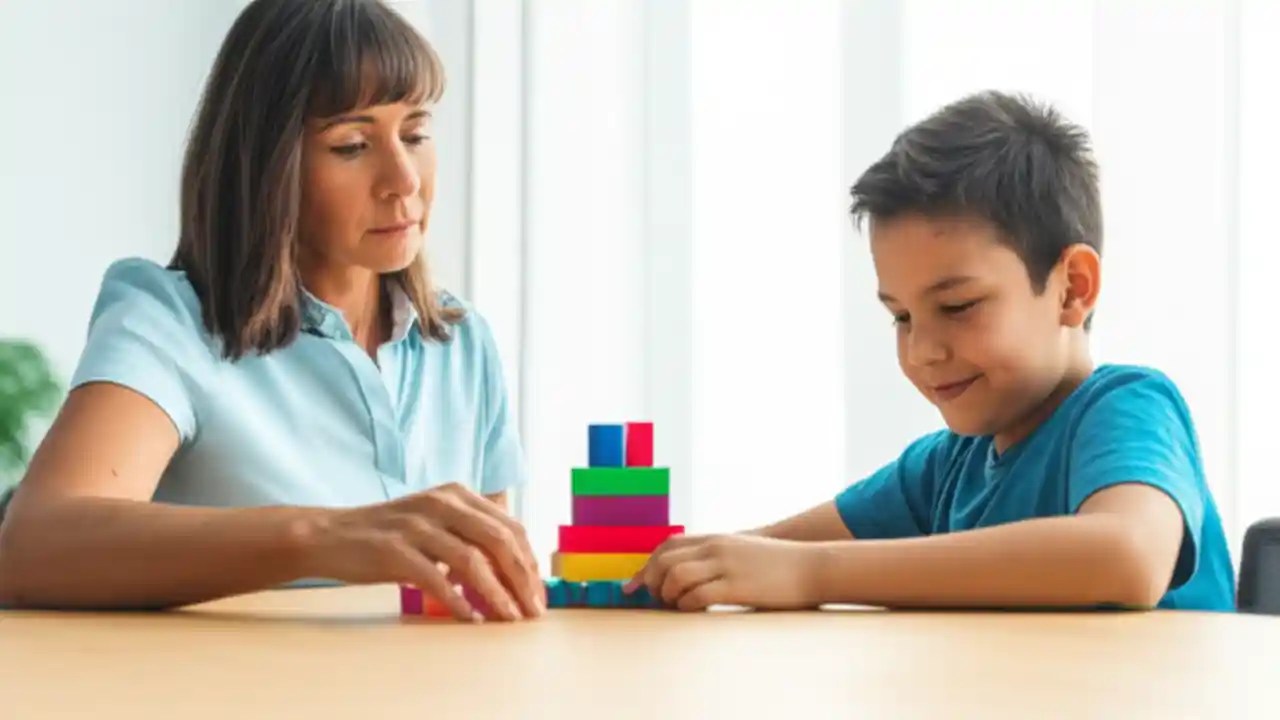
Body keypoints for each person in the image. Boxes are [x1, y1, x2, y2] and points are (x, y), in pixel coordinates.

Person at [0, 0, 543, 623]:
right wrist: (322, 537)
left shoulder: (462, 344)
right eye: (352, 145)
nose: (404, 179)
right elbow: (31, 548)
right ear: (268, 164)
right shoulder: (170, 324)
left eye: (416, 135)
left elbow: (491, 597)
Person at [627, 90, 1236, 612]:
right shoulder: (945, 468)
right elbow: (762, 557)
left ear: (1072, 288)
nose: (921, 352)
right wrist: (676, 572)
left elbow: (1126, 556)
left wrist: (814, 575)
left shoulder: (1128, 408)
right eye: (900, 316)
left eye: (958, 306)